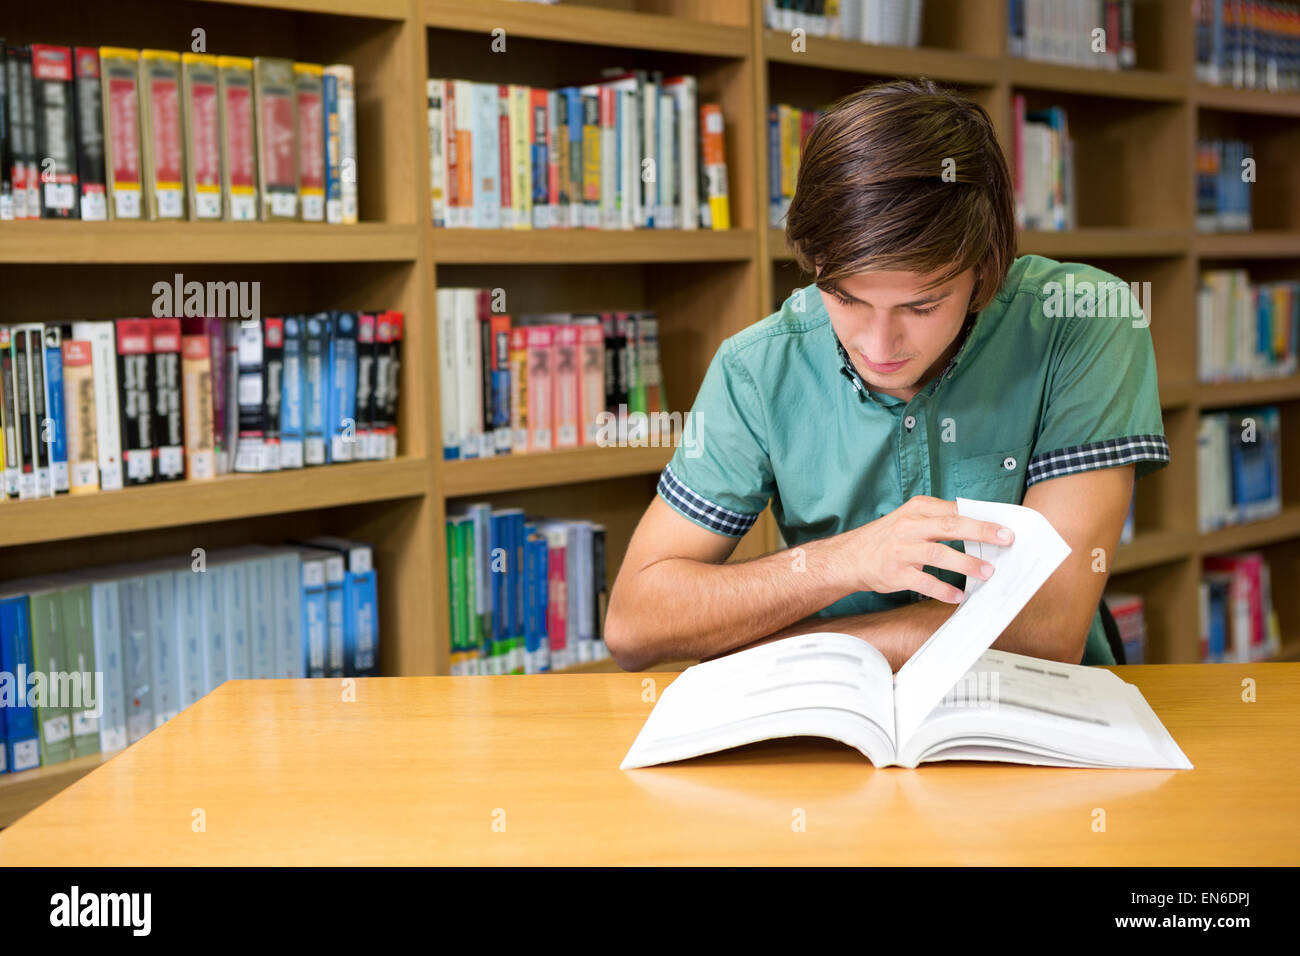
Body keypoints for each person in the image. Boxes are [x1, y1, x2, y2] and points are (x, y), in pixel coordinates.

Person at [604, 78, 1168, 672]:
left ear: (986, 268)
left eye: (921, 307)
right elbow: (636, 624)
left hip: (1037, 721)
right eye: (846, 299)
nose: (879, 346)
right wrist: (846, 559)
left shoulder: (1079, 321)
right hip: (830, 730)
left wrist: (777, 647)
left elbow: (1046, 627)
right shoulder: (757, 368)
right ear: (816, 265)